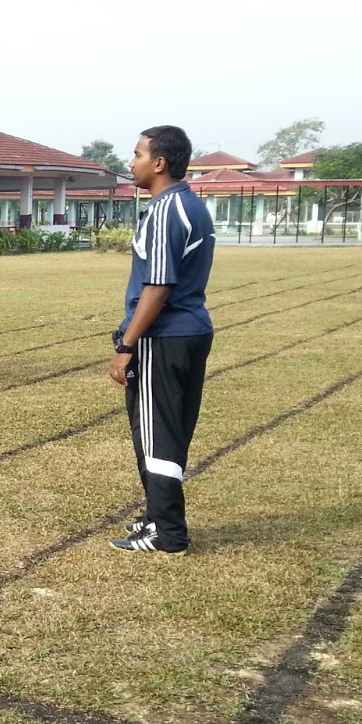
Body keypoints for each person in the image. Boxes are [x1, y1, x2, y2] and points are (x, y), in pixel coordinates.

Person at [108, 125, 216, 555]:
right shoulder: (192, 204)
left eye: (137, 155)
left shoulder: (164, 210)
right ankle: (157, 515)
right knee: (170, 429)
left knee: (157, 434)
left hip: (164, 336)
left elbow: (157, 286)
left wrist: (126, 346)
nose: (130, 162)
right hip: (191, 331)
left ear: (159, 163)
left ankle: (167, 532)